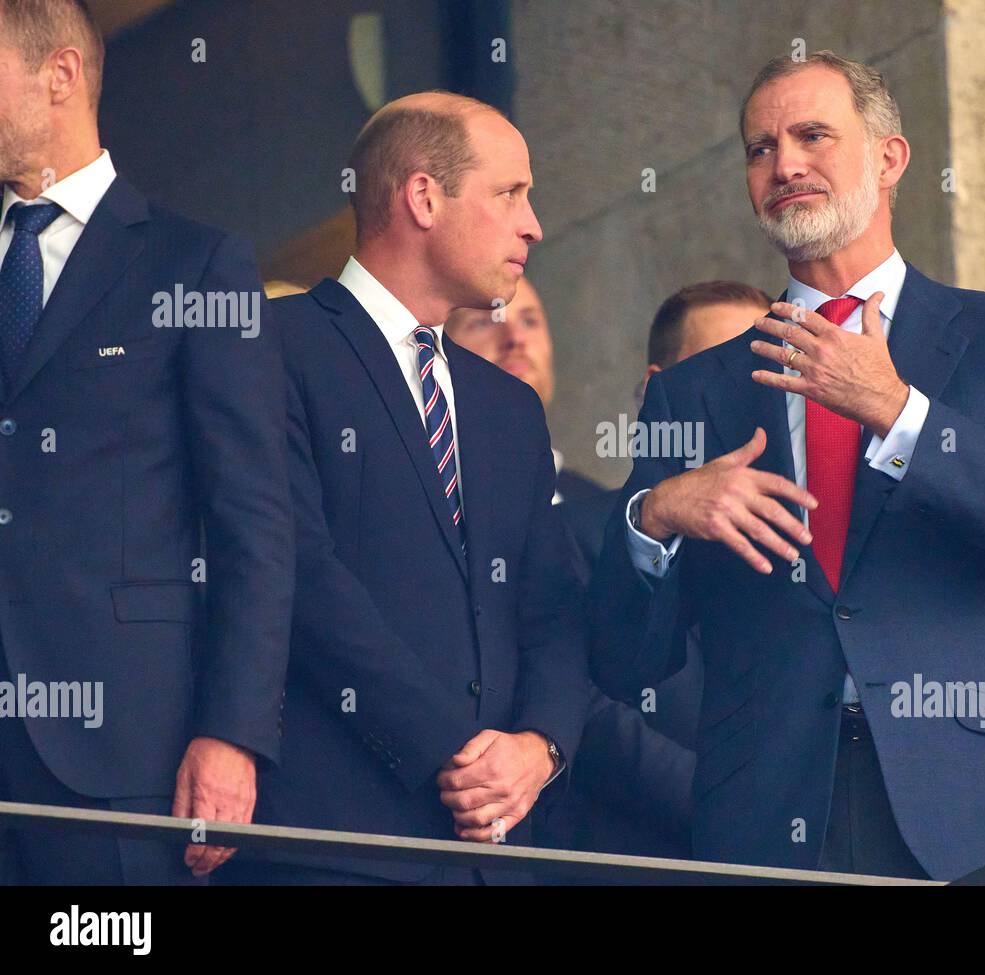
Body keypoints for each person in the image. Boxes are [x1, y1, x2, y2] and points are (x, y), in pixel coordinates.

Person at [588, 50, 985, 883]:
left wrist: (904, 415)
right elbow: (623, 661)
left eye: (812, 135)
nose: (783, 164)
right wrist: (655, 519)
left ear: (890, 157)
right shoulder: (695, 391)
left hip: (970, 805)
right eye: (760, 148)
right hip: (768, 820)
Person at [218, 92, 588, 885]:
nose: (534, 225)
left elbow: (554, 609)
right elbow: (300, 576)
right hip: (341, 845)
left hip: (500, 849)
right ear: (424, 197)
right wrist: (451, 753)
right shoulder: (269, 345)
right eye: (511, 193)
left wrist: (538, 748)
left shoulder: (510, 407)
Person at [0, 0, 293, 883]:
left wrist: (233, 732)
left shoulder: (194, 264)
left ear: (61, 74)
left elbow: (253, 518)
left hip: (122, 751)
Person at [538, 280, 768, 863]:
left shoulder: (814, 534)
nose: (749, 392)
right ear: (655, 389)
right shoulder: (575, 526)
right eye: (723, 368)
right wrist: (733, 810)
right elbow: (580, 708)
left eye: (766, 366)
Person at [444, 275, 602, 502]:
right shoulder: (411, 497)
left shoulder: (605, 516)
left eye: (529, 321)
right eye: (482, 322)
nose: (515, 338)